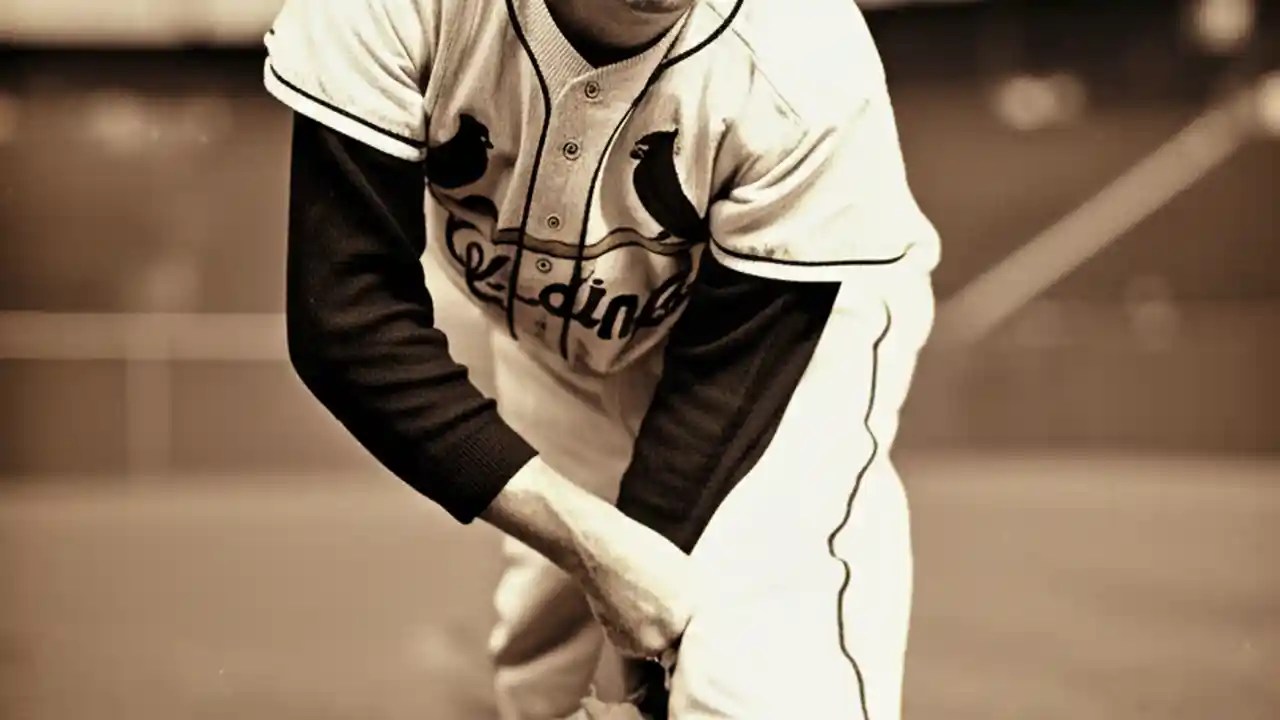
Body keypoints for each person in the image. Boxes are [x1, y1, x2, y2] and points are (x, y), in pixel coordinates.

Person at [263, 0, 940, 717]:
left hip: (786, 338)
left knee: (755, 677)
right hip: (556, 339)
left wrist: (646, 678)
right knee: (549, 676)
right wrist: (586, 545)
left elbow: (722, 399)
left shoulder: (804, 59)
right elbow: (348, 318)